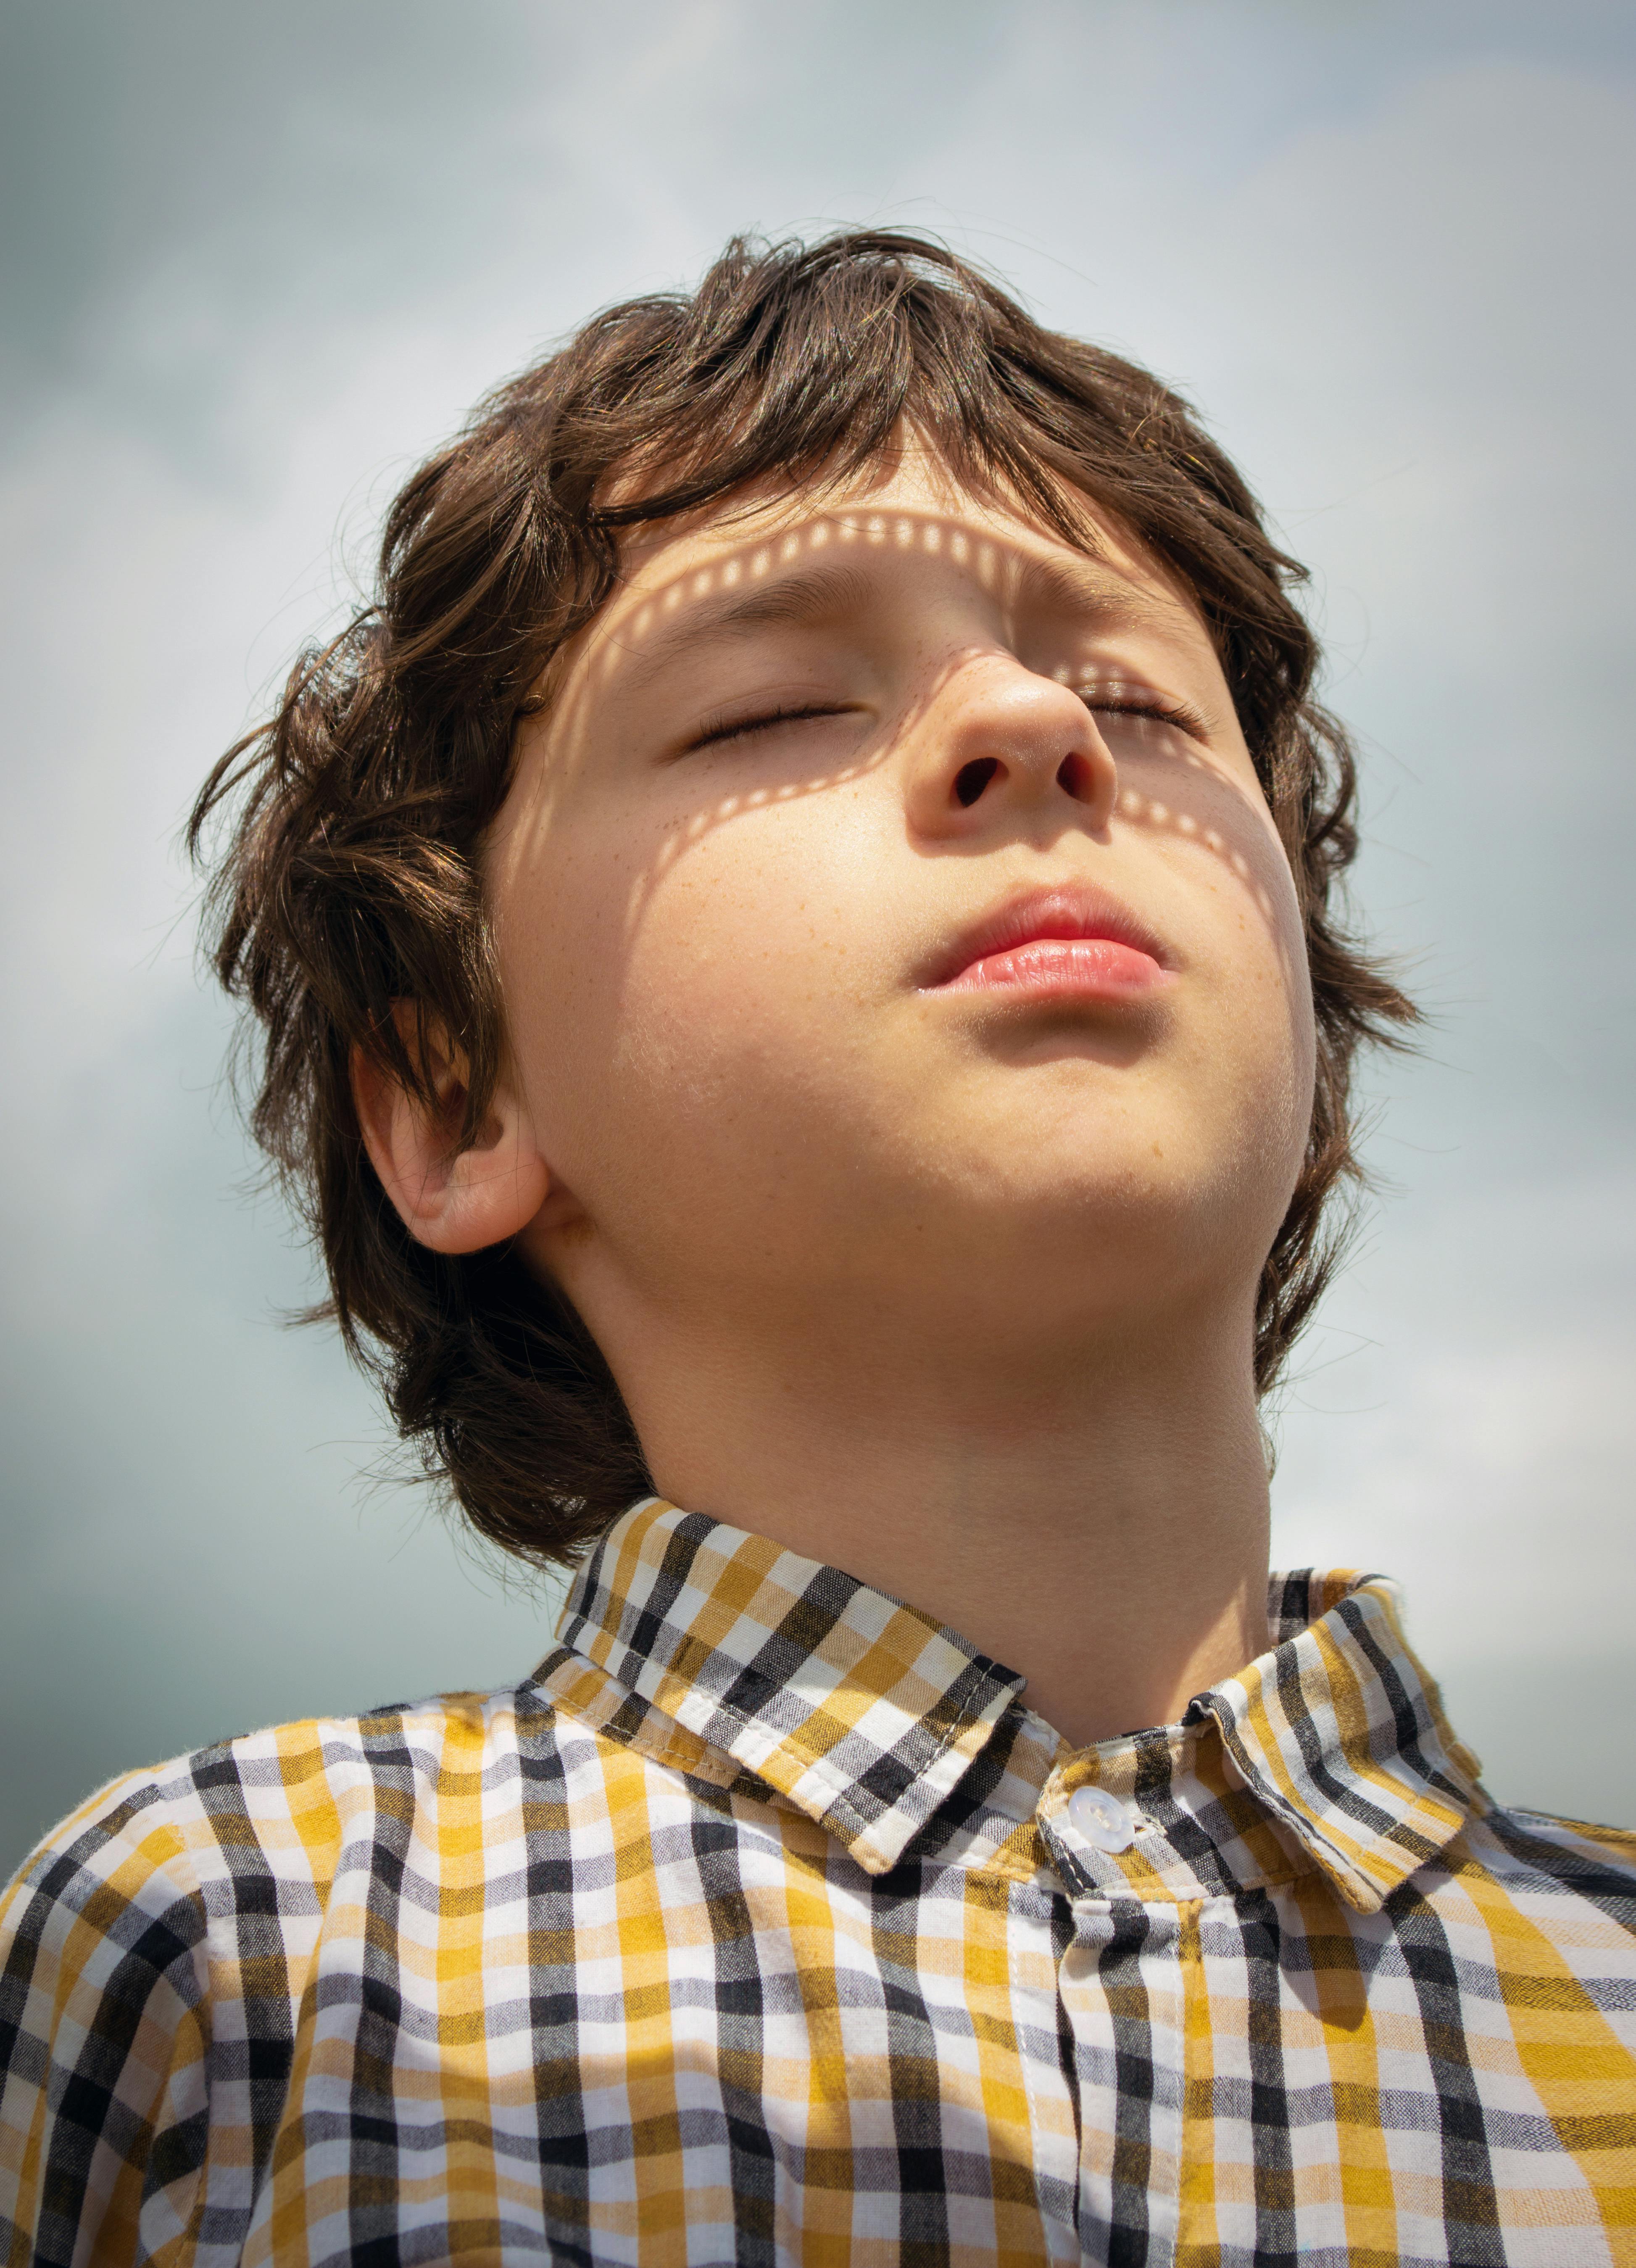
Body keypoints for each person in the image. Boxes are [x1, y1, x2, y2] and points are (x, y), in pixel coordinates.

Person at [3, 230, 1631, 2268]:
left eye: (1136, 695)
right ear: (452, 1101)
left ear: (1307, 1030)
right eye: (773, 703)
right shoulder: (226, 1946)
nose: (1041, 726)